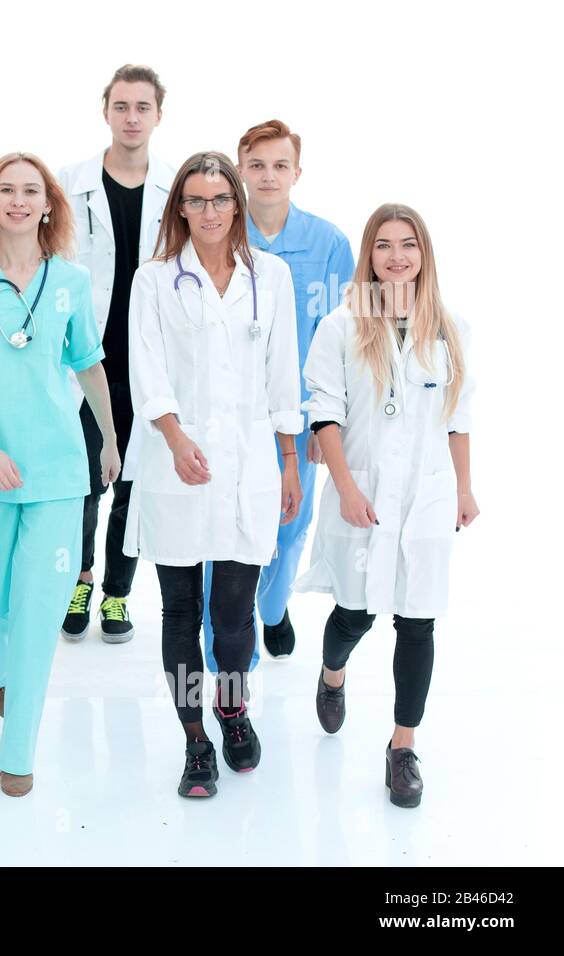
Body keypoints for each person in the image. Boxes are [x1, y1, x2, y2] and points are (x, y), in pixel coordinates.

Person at [0, 152, 119, 796]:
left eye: (31, 191)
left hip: (57, 468)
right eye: (7, 189)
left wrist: (110, 438)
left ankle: (18, 752)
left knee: (40, 607)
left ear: (48, 205)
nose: (18, 200)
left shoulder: (71, 281)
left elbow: (89, 363)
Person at [124, 151, 302, 798]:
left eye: (220, 199)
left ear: (237, 204)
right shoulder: (155, 280)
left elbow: (283, 374)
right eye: (195, 200)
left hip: (249, 465)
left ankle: (231, 708)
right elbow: (147, 368)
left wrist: (289, 462)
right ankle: (194, 737)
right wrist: (175, 438)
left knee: (231, 614)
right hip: (177, 462)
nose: (209, 211)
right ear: (180, 207)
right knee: (179, 610)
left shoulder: (271, 277)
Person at [296, 204, 476, 808]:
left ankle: (403, 748)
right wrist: (347, 488)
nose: (397, 257)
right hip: (364, 493)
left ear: (424, 254)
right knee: (354, 615)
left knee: (417, 620)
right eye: (384, 245)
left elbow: (458, 417)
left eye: (408, 245)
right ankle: (333, 675)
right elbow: (325, 413)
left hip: (426, 496)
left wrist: (464, 487)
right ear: (368, 255)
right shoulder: (343, 325)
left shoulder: (450, 327)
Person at [201, 119, 357, 669]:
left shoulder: (329, 244)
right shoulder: (217, 234)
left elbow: (347, 339)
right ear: (240, 170)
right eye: (257, 165)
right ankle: (226, 658)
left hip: (297, 415)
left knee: (288, 529)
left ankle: (271, 606)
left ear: (297, 172)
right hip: (229, 413)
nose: (268, 176)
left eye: (280, 165)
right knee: (224, 534)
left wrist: (326, 424)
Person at [58, 64, 175, 643]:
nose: (132, 117)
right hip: (86, 361)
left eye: (142, 107)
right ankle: (80, 579)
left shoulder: (175, 189)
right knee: (83, 483)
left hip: (148, 361)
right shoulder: (71, 183)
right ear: (105, 111)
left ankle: (117, 594)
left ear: (158, 115)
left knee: (133, 486)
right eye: (121, 106)